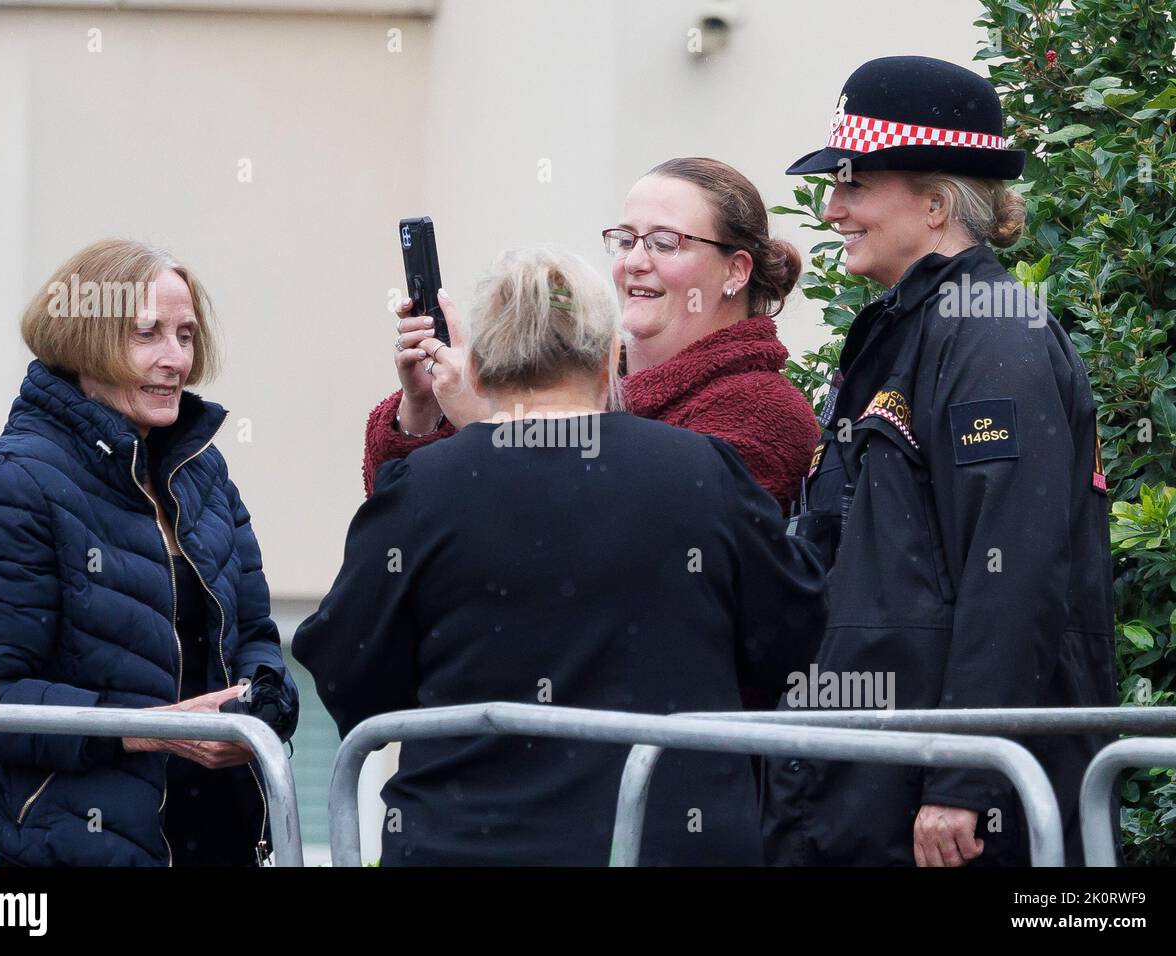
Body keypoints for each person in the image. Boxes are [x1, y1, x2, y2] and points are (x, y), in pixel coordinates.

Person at [294, 248, 827, 865]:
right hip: (670, 838)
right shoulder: (701, 471)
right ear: (608, 361)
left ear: (482, 371)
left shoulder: (425, 487)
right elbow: (790, 636)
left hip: (467, 840)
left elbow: (346, 664)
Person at [762, 56, 1116, 867]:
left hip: (946, 808)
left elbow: (1015, 572)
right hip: (878, 783)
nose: (832, 207)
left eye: (854, 183)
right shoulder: (913, 325)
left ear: (934, 200)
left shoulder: (990, 336)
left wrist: (966, 775)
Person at [0, 239, 299, 866]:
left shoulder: (202, 473)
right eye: (147, 335)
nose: (175, 360)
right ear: (83, 340)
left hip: (220, 841)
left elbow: (259, 637)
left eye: (185, 335)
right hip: (75, 852)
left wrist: (263, 704)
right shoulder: (5, 480)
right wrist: (150, 727)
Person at [363, 157, 817, 511]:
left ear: (735, 270)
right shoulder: (563, 371)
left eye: (664, 242)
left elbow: (641, 547)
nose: (634, 262)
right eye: (626, 239)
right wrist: (422, 410)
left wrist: (490, 428)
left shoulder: (765, 414)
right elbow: (402, 515)